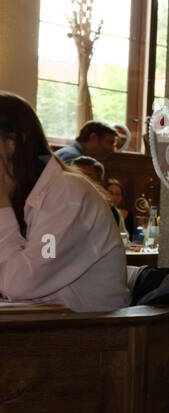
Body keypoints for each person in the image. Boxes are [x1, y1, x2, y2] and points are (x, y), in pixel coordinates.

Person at [0, 93, 129, 312]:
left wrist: (0, 203)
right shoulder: (29, 193)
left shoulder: (67, 195)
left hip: (89, 334)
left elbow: (19, 284)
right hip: (45, 323)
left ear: (11, 144)